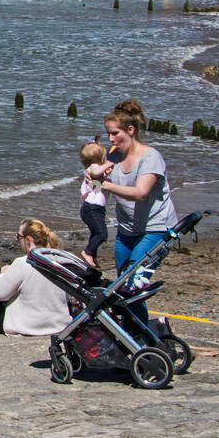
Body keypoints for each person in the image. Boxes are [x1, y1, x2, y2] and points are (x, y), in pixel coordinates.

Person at [99, 99, 177, 323]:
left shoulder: (150, 157)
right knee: (123, 288)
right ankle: (134, 334)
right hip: (127, 231)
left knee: (132, 283)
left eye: (115, 133)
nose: (110, 139)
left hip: (156, 229)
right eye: (108, 134)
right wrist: (93, 169)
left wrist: (105, 185)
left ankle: (144, 336)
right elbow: (94, 172)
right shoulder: (113, 156)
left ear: (130, 130)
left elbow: (141, 193)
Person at [0, 219, 72, 336]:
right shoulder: (62, 261)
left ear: (28, 240)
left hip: (27, 326)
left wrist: (3, 273)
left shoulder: (23, 263)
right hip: (58, 325)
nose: (18, 241)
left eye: (19, 237)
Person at [79, 142, 113, 268]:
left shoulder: (98, 171)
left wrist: (107, 170)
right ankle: (88, 252)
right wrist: (108, 164)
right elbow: (95, 173)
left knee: (96, 233)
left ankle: (92, 255)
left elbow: (98, 180)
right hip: (92, 208)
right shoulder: (93, 169)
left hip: (95, 209)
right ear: (101, 158)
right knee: (102, 234)